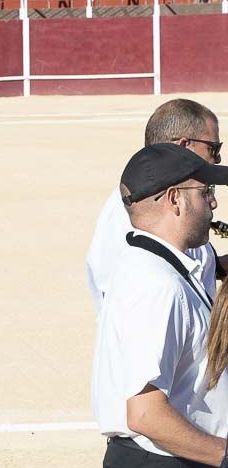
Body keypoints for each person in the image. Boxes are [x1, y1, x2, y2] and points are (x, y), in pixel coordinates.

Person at [84, 142, 228, 468]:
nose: (213, 204)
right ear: (174, 200)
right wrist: (225, 455)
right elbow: (144, 413)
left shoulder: (161, 265)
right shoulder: (156, 285)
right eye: (205, 193)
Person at [86, 99, 223, 317]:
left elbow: (188, 265)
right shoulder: (132, 210)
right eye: (213, 148)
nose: (217, 159)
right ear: (183, 146)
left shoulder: (182, 198)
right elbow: (136, 306)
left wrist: (220, 265)